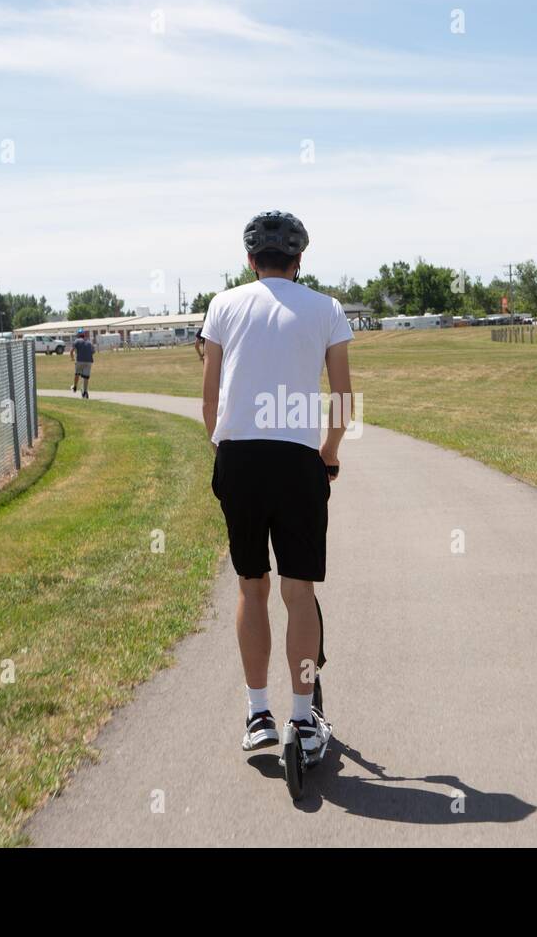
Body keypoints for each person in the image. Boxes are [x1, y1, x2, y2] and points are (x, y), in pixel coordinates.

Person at [201, 210, 354, 758]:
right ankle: (303, 719)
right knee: (299, 591)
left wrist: (227, 452)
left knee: (251, 586)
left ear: (249, 261)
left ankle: (257, 713)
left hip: (239, 456)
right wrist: (329, 455)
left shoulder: (223, 306)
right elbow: (341, 399)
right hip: (296, 461)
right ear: (299, 261)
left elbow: (210, 400)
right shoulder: (327, 309)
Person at [69, 329, 94, 398]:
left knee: (77, 374)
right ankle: (85, 392)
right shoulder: (89, 342)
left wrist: (72, 358)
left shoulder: (76, 341)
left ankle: (75, 386)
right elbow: (93, 351)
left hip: (79, 361)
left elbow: (71, 351)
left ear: (78, 335)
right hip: (89, 361)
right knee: (86, 377)